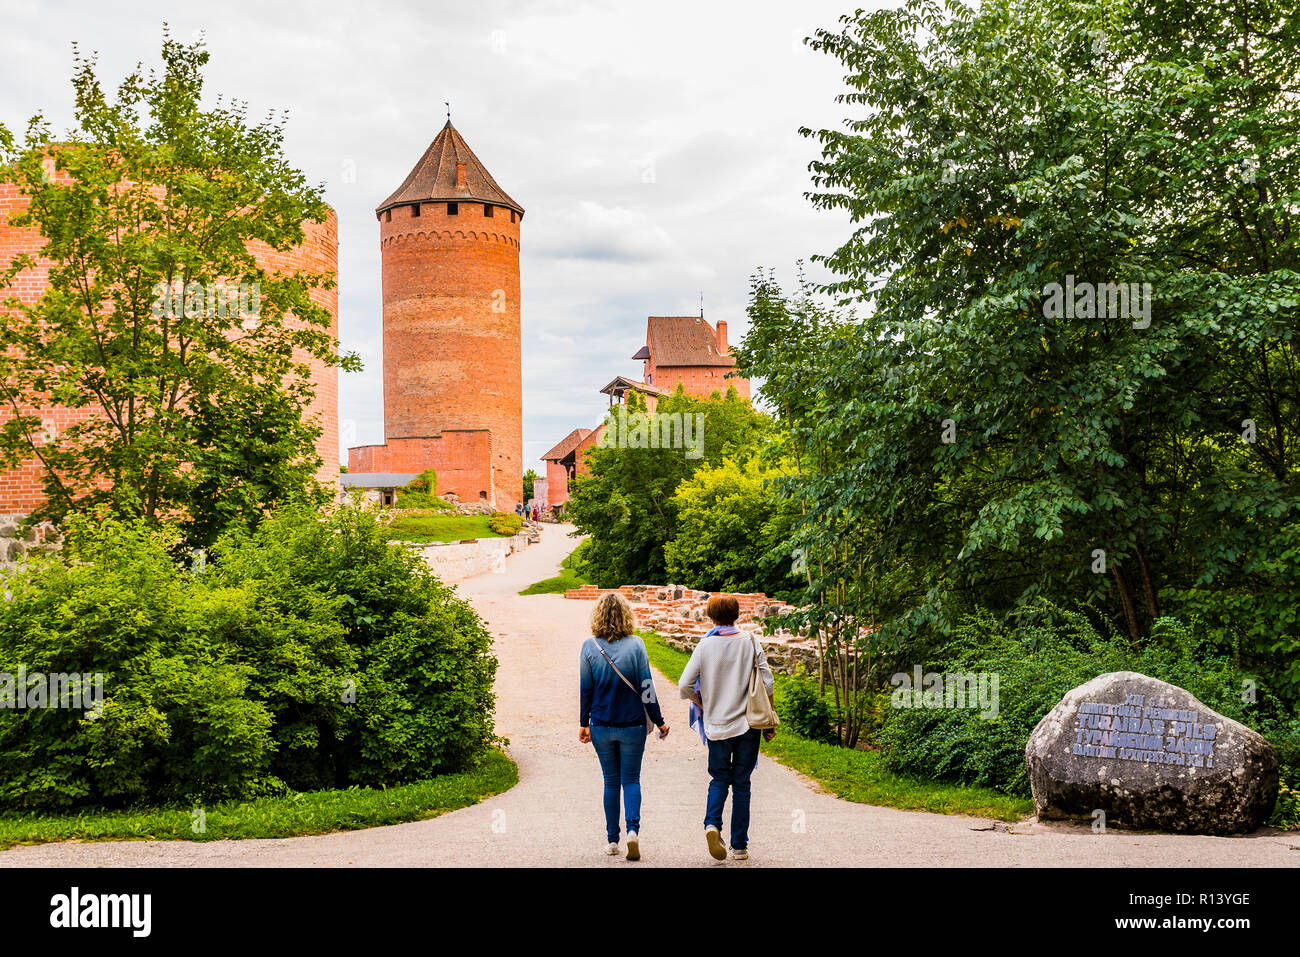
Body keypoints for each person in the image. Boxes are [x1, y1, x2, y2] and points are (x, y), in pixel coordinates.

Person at [678, 595, 775, 862]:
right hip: (747, 724)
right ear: (737, 615)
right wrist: (769, 720)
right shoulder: (751, 642)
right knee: (742, 784)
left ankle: (712, 825)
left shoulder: (705, 646)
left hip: (717, 726)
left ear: (711, 618)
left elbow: (684, 685)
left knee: (719, 779)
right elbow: (767, 684)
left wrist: (703, 703)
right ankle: (740, 846)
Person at [579, 593, 670, 860]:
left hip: (602, 724)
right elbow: (646, 688)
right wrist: (660, 720)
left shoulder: (589, 647)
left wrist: (584, 723)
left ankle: (612, 841)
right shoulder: (637, 645)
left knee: (610, 781)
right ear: (626, 615)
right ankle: (633, 831)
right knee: (631, 779)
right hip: (632, 725)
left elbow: (586, 689)